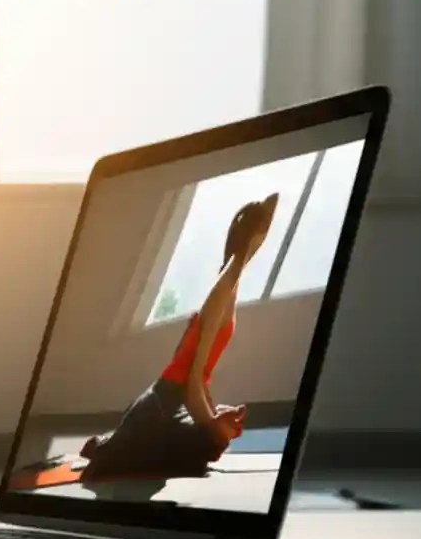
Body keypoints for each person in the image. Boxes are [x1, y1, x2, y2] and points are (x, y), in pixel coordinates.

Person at [77, 193, 279, 491]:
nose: (263, 241)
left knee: (208, 445)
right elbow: (192, 380)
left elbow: (200, 380)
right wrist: (212, 424)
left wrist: (216, 415)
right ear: (251, 236)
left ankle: (120, 441)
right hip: (160, 404)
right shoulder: (222, 290)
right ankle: (107, 445)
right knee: (204, 445)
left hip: (176, 403)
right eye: (262, 234)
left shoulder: (231, 287)